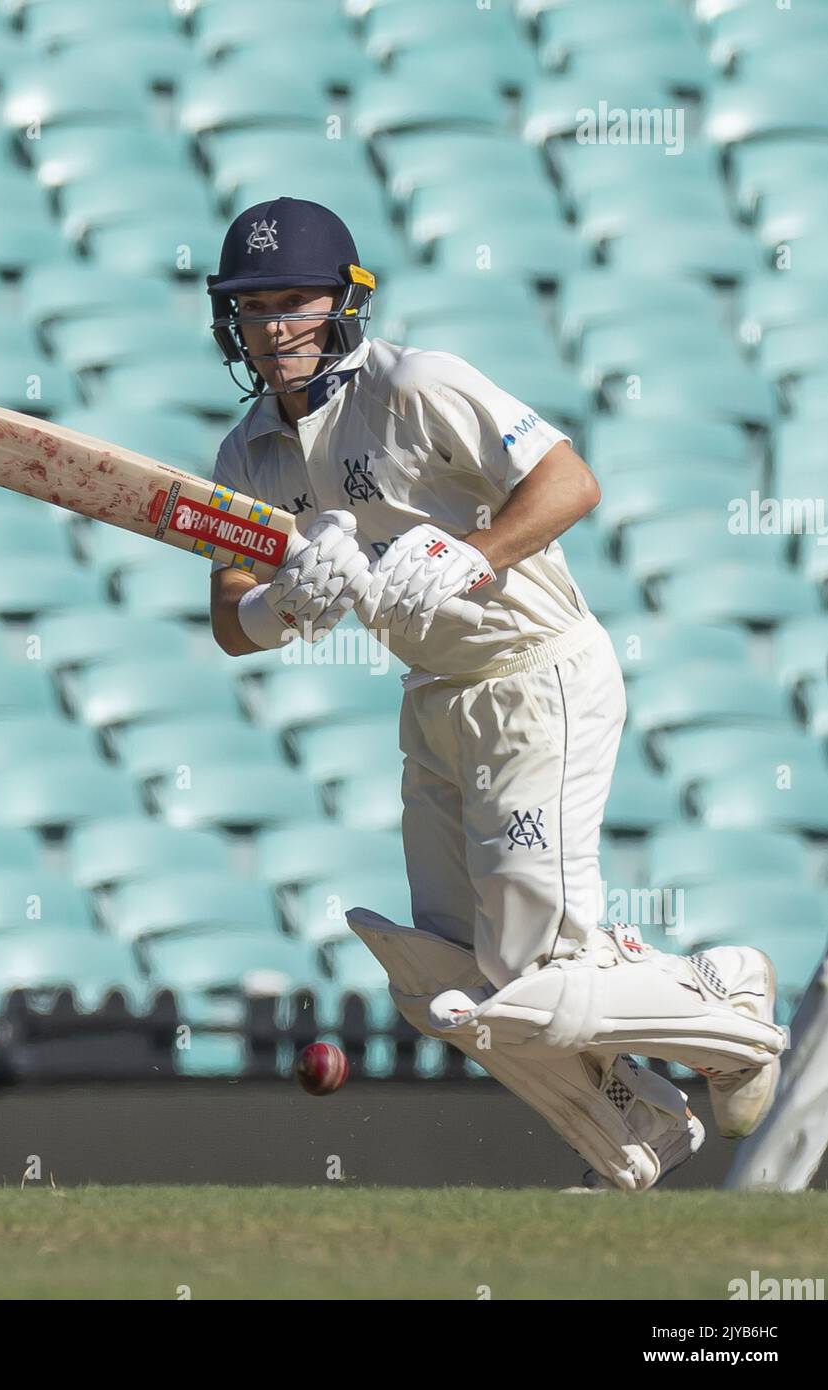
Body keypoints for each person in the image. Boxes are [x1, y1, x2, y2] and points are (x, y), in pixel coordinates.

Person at [207, 197, 787, 1191]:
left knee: (533, 977)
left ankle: (722, 996)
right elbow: (228, 614)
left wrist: (470, 556)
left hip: (538, 675)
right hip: (435, 698)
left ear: (345, 304)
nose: (274, 327)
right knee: (445, 978)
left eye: (295, 302)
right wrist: (283, 606)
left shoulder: (416, 384)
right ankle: (635, 1133)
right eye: (253, 307)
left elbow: (569, 481)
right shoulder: (244, 452)